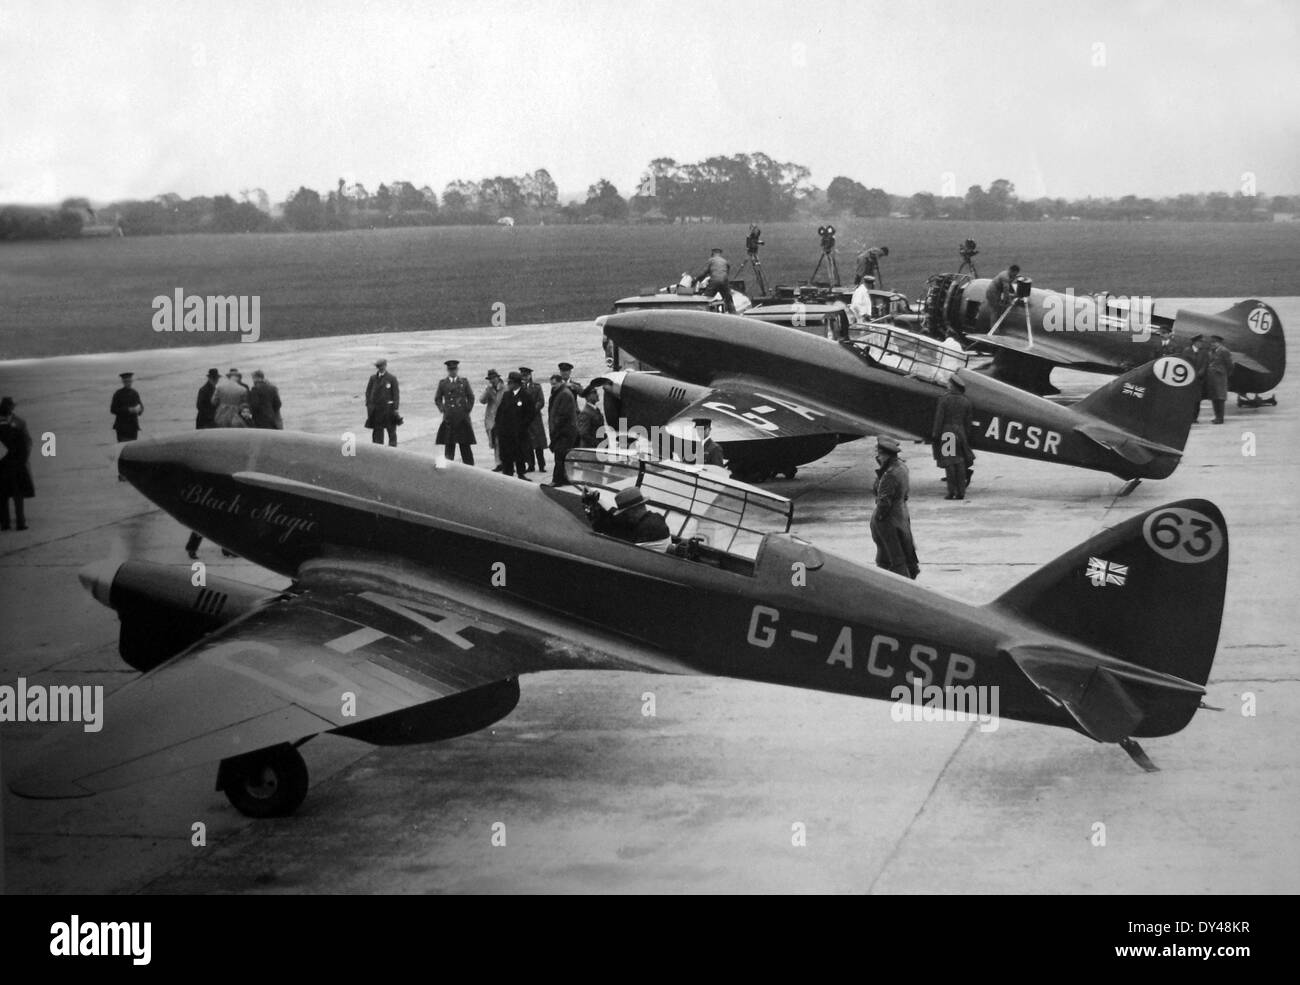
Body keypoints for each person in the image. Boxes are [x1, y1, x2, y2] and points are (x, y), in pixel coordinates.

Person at [870, 436, 919, 579]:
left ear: (884, 453)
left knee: (893, 555)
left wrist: (879, 517)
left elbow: (884, 501)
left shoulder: (889, 474)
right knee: (902, 549)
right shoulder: (902, 467)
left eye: (879, 453)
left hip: (888, 520)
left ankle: (901, 581)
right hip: (901, 514)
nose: (877, 456)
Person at [931, 377, 975, 500]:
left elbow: (939, 419)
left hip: (947, 434)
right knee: (960, 462)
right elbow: (968, 423)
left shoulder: (944, 400)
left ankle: (951, 492)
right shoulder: (966, 402)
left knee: (949, 463)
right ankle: (961, 492)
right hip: (960, 433)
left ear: (953, 386)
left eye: (949, 384)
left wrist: (935, 434)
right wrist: (965, 437)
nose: (948, 385)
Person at [584, 486, 671, 545]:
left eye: (625, 513)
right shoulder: (652, 518)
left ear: (633, 510)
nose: (624, 516)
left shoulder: (649, 526)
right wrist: (599, 501)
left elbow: (625, 548)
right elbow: (616, 515)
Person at [0, 397, 34, 531]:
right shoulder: (19, 423)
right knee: (13, 495)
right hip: (13, 465)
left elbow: (27, 443)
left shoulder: (19, 423)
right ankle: (16, 522)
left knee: (6, 495)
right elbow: (27, 443)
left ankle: (8, 522)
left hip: (8, 465)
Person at [494, 371, 536, 479]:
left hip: (519, 433)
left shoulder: (525, 396)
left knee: (519, 455)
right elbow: (500, 412)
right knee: (506, 455)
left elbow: (531, 413)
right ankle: (507, 473)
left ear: (517, 383)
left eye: (511, 383)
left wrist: (522, 426)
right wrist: (498, 427)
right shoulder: (507, 395)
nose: (509, 385)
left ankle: (521, 474)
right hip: (506, 433)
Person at [434, 359, 476, 464]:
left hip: (462, 418)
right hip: (450, 418)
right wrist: (443, 409)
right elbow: (437, 398)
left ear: (457, 370)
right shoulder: (443, 383)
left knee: (465, 446)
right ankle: (449, 468)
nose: (453, 372)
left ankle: (469, 467)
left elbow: (471, 396)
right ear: (448, 370)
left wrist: (467, 409)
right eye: (450, 370)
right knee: (449, 447)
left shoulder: (463, 382)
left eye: (454, 369)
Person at [547, 373, 578, 486]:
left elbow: (562, 416)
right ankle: (564, 478)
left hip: (564, 431)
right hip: (563, 431)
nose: (553, 386)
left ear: (560, 382)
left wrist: (555, 431)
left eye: (554, 384)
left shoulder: (564, 394)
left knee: (560, 456)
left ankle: (557, 480)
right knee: (562, 456)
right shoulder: (560, 393)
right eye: (551, 384)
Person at [365, 358, 401, 446]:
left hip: (388, 410)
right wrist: (369, 405)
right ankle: (378, 450)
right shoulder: (373, 378)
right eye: (378, 367)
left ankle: (392, 450)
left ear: (385, 366)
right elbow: (368, 392)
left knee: (391, 431)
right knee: (377, 433)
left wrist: (395, 408)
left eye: (381, 366)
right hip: (376, 411)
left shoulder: (391, 378)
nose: (380, 368)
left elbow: (396, 394)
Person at [520, 367, 547, 472]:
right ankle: (530, 465)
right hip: (525, 419)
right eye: (523, 376)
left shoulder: (536, 387)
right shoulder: (520, 388)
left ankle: (541, 465)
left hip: (535, 418)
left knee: (538, 444)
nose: (525, 378)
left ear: (530, 376)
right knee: (528, 443)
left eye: (526, 375)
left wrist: (532, 410)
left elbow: (541, 401)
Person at [1205, 335, 1235, 425]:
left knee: (1220, 398)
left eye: (1214, 342)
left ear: (1219, 343)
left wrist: (1224, 374)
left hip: (1220, 378)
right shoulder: (1211, 351)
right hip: (1212, 378)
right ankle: (1216, 417)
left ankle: (1220, 418)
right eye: (1211, 343)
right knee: (1214, 397)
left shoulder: (1224, 351)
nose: (1212, 344)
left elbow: (1230, 365)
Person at [480, 369, 505, 469]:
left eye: (494, 378)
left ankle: (505, 462)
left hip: (503, 417)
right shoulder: (489, 389)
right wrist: (487, 391)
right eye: (490, 379)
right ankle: (499, 463)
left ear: (498, 378)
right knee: (495, 441)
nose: (492, 380)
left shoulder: (505, 388)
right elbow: (482, 400)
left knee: (503, 441)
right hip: (491, 418)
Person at [698, 247, 735, 313]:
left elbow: (704, 273)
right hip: (724, 281)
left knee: (706, 299)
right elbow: (727, 271)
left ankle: (704, 313)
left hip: (714, 281)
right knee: (728, 300)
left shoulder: (711, 260)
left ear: (712, 253)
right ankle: (734, 315)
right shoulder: (725, 261)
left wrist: (696, 280)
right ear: (720, 254)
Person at [1186, 335, 1211, 423]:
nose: (1201, 344)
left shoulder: (1204, 353)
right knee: (1187, 399)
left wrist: (1199, 374)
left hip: (1198, 380)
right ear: (1195, 342)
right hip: (1188, 379)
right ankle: (1187, 416)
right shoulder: (1187, 351)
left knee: (1197, 400)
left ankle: (1194, 418)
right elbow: (1184, 363)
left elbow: (1205, 365)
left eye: (1202, 342)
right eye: (1200, 342)